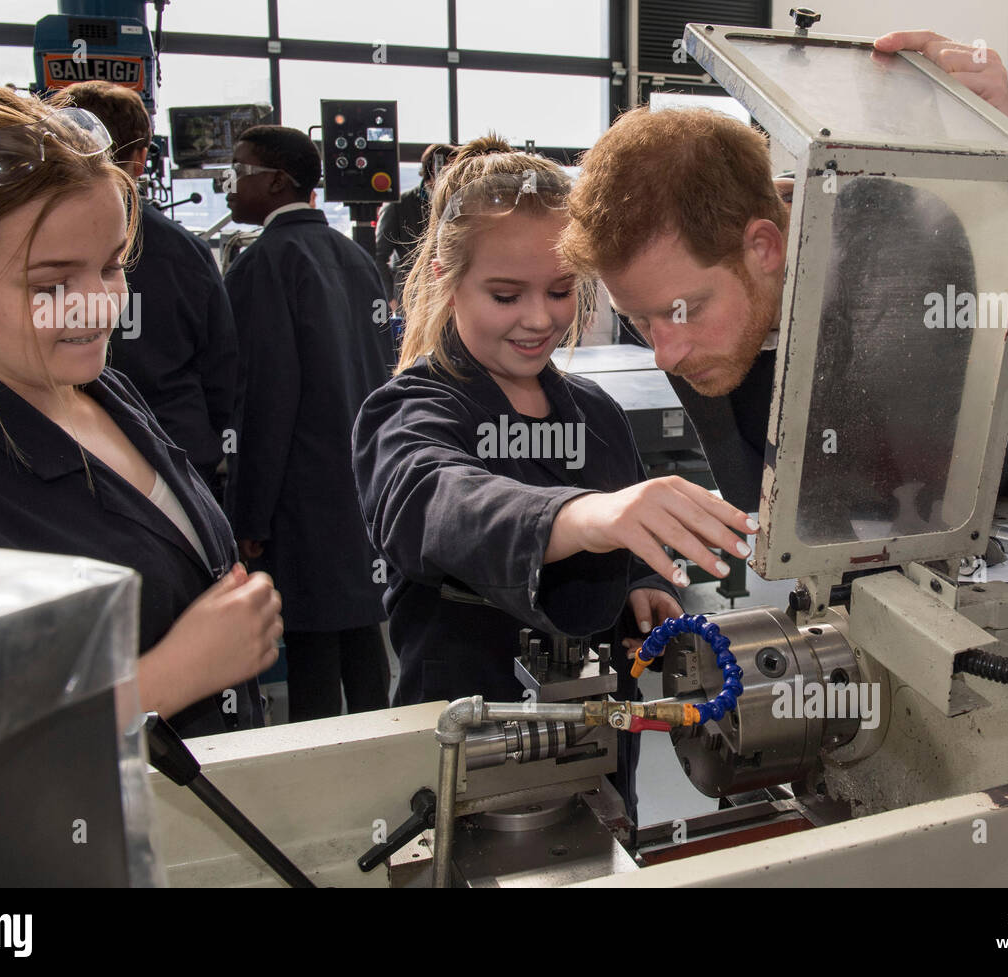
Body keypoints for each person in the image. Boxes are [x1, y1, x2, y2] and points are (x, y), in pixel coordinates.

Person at [559, 46, 1008, 533]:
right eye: (639, 323)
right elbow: (762, 490)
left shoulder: (953, 226)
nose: (664, 352)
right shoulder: (676, 292)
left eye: (682, 312)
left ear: (763, 247)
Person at [351, 136, 756, 820]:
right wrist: (583, 517)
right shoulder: (408, 409)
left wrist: (644, 586)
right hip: (469, 752)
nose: (538, 318)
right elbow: (433, 500)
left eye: (561, 290)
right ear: (449, 281)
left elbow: (624, 553)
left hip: (597, 752)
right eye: (506, 295)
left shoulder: (595, 414)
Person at [0, 87, 280, 738]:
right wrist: (167, 677)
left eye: (112, 266)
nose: (99, 307)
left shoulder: (106, 393)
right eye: (51, 284)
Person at [223, 125, 393, 722]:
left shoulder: (260, 267)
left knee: (312, 649)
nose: (227, 188)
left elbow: (263, 403)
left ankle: (318, 776)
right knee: (362, 632)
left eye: (237, 171)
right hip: (361, 482)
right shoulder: (356, 258)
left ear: (275, 182)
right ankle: (388, 754)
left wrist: (249, 515)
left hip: (297, 493)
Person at [62, 81, 241, 497]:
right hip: (178, 455)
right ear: (141, 158)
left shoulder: (26, 248)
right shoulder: (187, 253)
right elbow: (223, 369)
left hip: (75, 459)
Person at [375, 142, 454, 307]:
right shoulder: (399, 205)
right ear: (434, 169)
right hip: (412, 299)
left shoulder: (458, 203)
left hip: (448, 297)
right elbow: (379, 256)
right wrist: (390, 297)